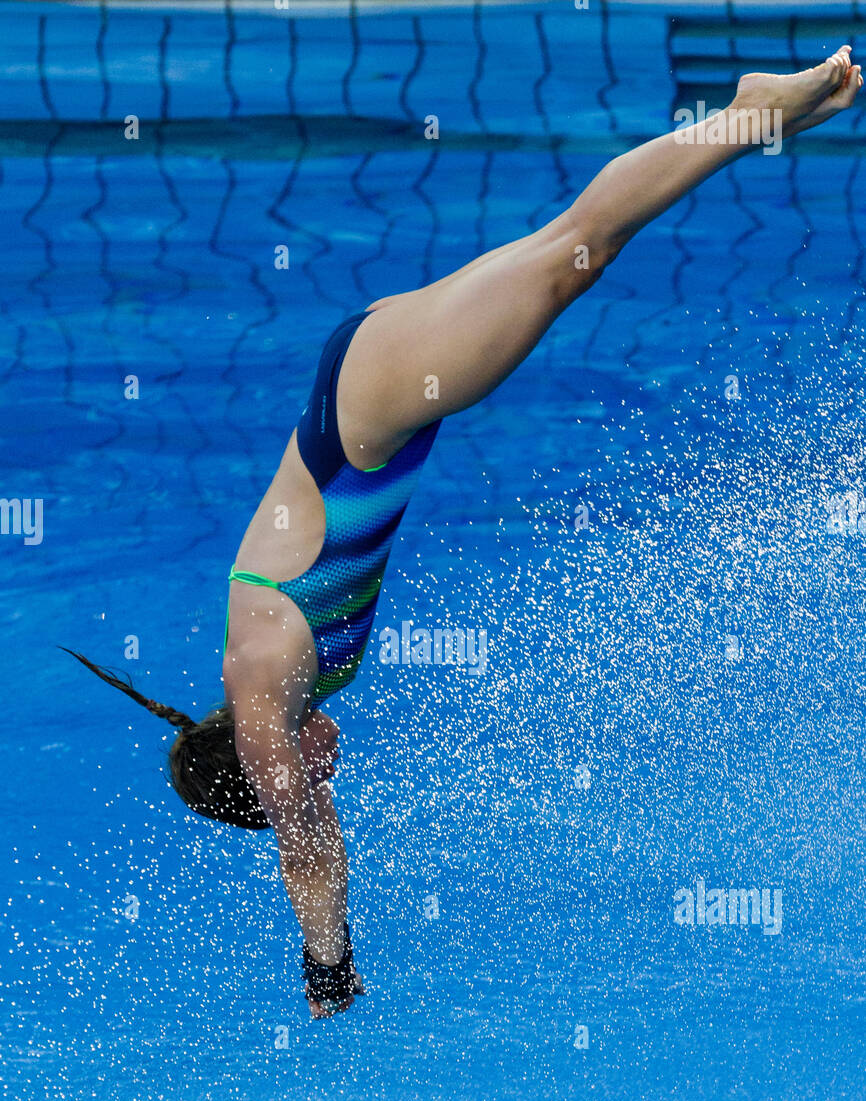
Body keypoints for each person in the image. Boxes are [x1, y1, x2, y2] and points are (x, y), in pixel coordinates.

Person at [67, 50, 862, 1018]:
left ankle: (745, 115)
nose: (324, 771)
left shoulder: (261, 684)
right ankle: (746, 122)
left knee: (580, 246)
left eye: (296, 777)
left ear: (260, 762)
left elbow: (304, 840)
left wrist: (327, 967)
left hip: (374, 410)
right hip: (371, 394)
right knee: (564, 249)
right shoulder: (280, 680)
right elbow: (307, 820)